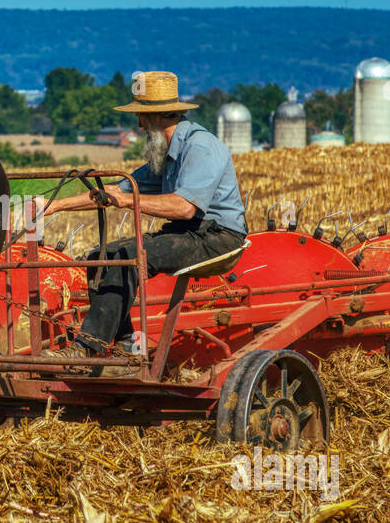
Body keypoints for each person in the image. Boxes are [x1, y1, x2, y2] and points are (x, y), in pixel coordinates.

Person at [34, 71, 247, 366]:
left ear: (159, 116)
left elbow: (185, 207)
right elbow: (115, 190)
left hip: (218, 238)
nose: (139, 125)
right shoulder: (164, 155)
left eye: (142, 118)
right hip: (188, 234)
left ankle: (85, 349)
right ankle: (127, 350)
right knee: (99, 256)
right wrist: (54, 205)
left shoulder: (200, 147)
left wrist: (128, 201)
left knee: (129, 257)